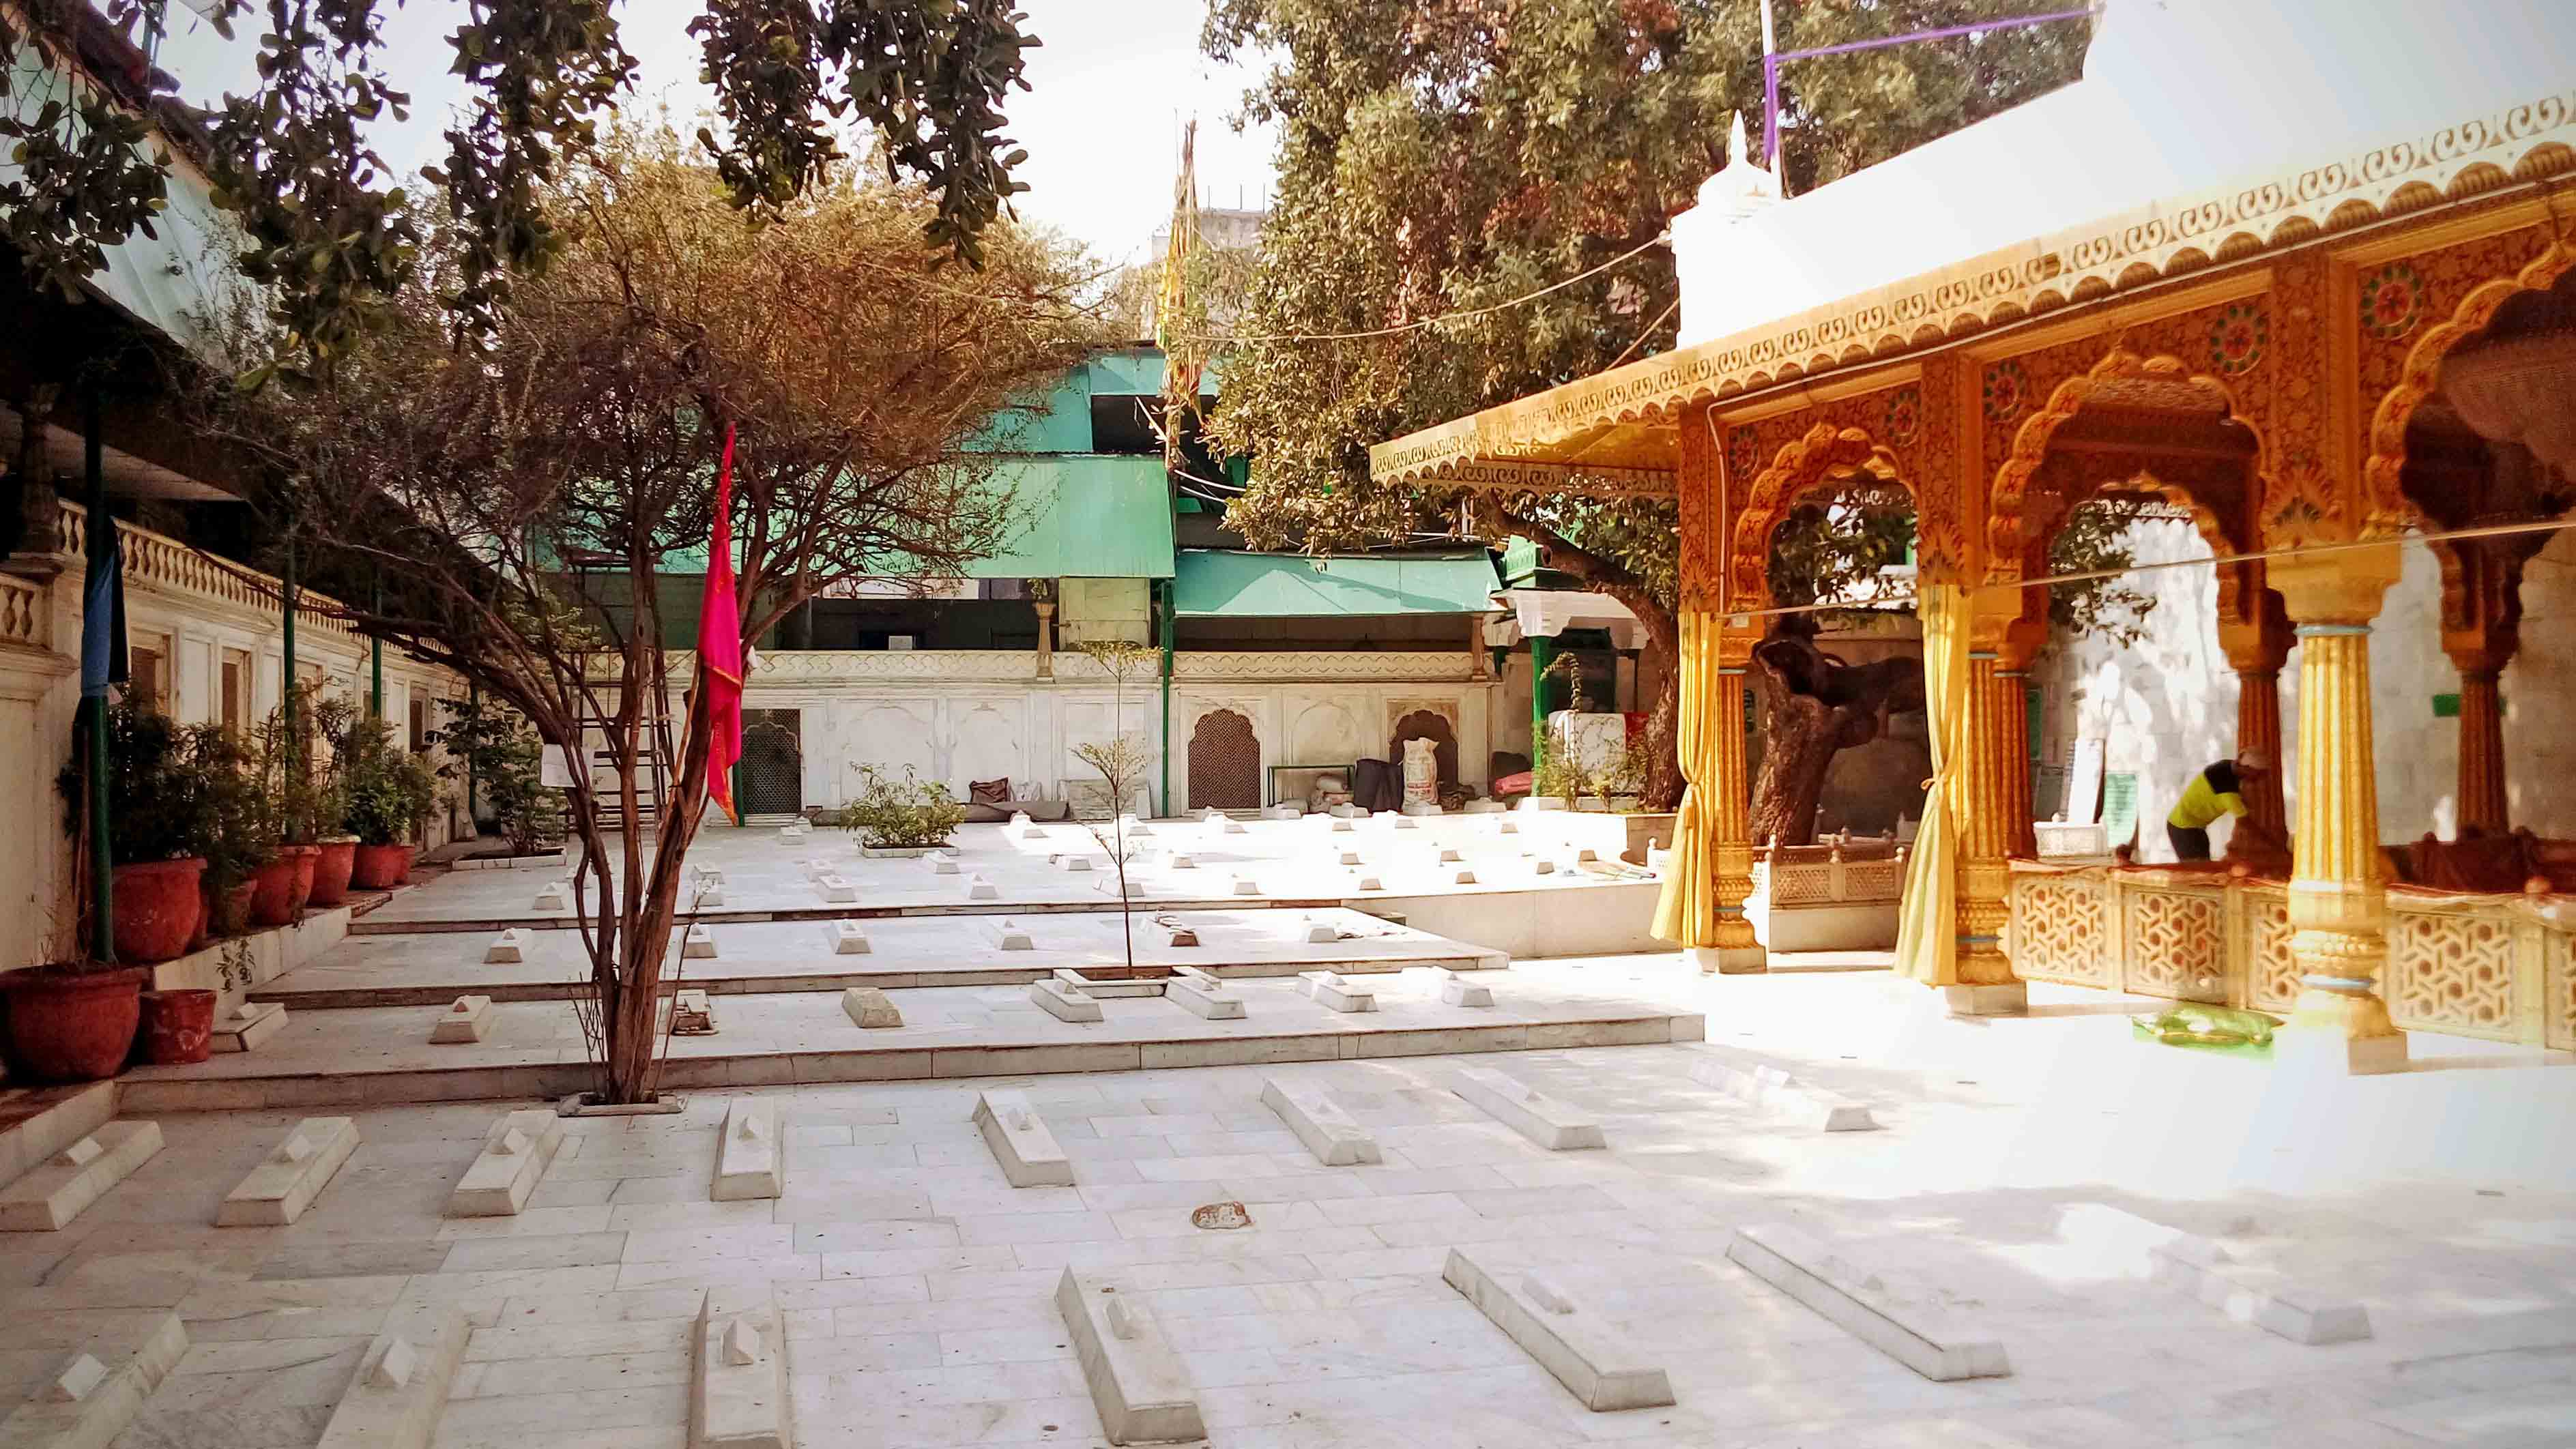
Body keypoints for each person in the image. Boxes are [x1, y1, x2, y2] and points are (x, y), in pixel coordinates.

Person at [2167, 749, 2270, 861]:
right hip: (2183, 828)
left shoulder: (2228, 766)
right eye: (2258, 774)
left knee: (2203, 869)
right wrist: (2272, 844)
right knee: (2197, 872)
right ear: (2247, 768)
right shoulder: (2226, 789)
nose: (2260, 779)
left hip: (2195, 828)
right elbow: (2245, 823)